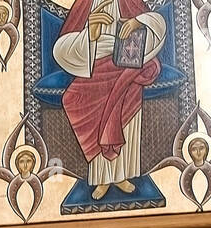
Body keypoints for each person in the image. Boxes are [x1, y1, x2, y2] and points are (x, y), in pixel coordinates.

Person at [52, 0, 166, 200]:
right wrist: (90, 34)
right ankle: (102, 178)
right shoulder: (84, 3)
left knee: (124, 113)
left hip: (125, 61)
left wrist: (137, 21)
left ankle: (121, 176)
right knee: (72, 98)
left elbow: (157, 24)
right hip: (96, 63)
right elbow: (62, 48)